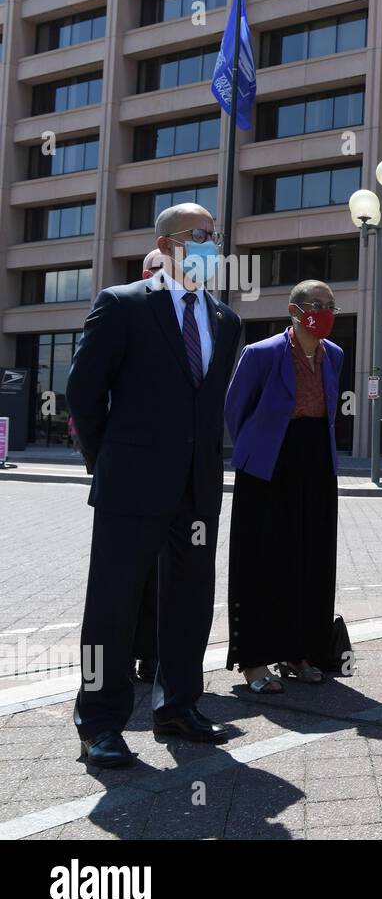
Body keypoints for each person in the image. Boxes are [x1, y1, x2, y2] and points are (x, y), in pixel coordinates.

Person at [65, 203, 241, 767]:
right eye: (199, 236)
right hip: (131, 487)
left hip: (196, 492)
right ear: (166, 245)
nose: (210, 247)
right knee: (111, 607)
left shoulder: (225, 320)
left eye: (215, 237)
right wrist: (107, 460)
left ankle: (178, 706)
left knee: (189, 603)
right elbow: (83, 393)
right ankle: (98, 721)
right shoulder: (122, 305)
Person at [224, 280, 346, 693]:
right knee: (261, 559)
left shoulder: (335, 355)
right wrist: (259, 449)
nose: (325, 311)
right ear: (294, 310)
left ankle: (299, 653)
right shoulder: (260, 353)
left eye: (331, 305)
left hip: (316, 462)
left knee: (310, 559)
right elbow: (236, 410)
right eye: (316, 304)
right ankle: (255, 662)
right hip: (267, 465)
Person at [131, 248, 170, 685]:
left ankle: (155, 655)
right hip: (132, 474)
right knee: (126, 579)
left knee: (165, 578)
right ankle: (114, 664)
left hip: (177, 477)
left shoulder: (200, 322)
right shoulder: (125, 310)